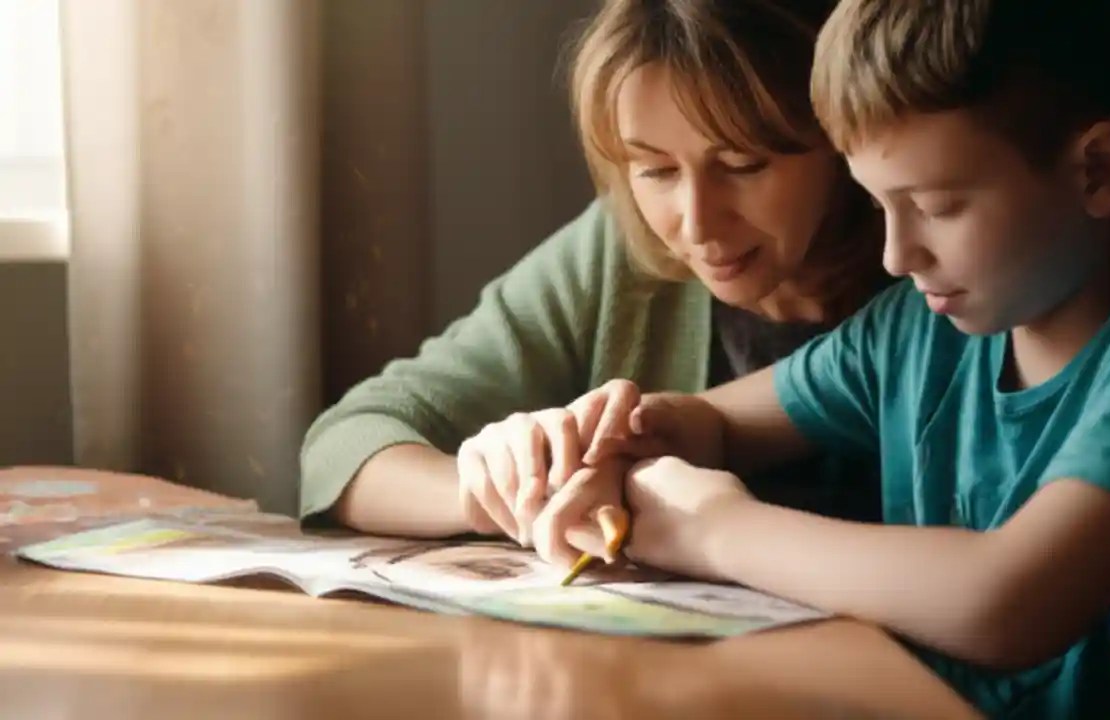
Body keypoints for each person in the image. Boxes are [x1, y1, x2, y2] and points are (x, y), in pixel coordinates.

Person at [548, 0, 1110, 716]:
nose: (896, 256)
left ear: (1098, 170)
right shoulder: (914, 327)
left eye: (933, 206)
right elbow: (710, 423)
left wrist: (710, 528)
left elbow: (1008, 604)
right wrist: (617, 437)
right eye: (879, 206)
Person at [299, 0, 889, 546]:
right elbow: (344, 445)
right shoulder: (617, 252)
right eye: (655, 170)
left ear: (840, 134)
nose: (697, 223)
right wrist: (498, 491)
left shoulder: (931, 276)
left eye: (742, 164)